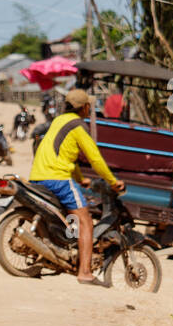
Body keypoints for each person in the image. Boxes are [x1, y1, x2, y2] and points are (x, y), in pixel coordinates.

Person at [28, 87, 126, 286]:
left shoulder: (58, 121)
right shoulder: (79, 126)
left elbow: (65, 155)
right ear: (85, 107)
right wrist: (113, 181)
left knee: (68, 216)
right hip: (57, 178)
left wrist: (81, 179)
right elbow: (95, 159)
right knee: (86, 221)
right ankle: (85, 272)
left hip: (38, 174)